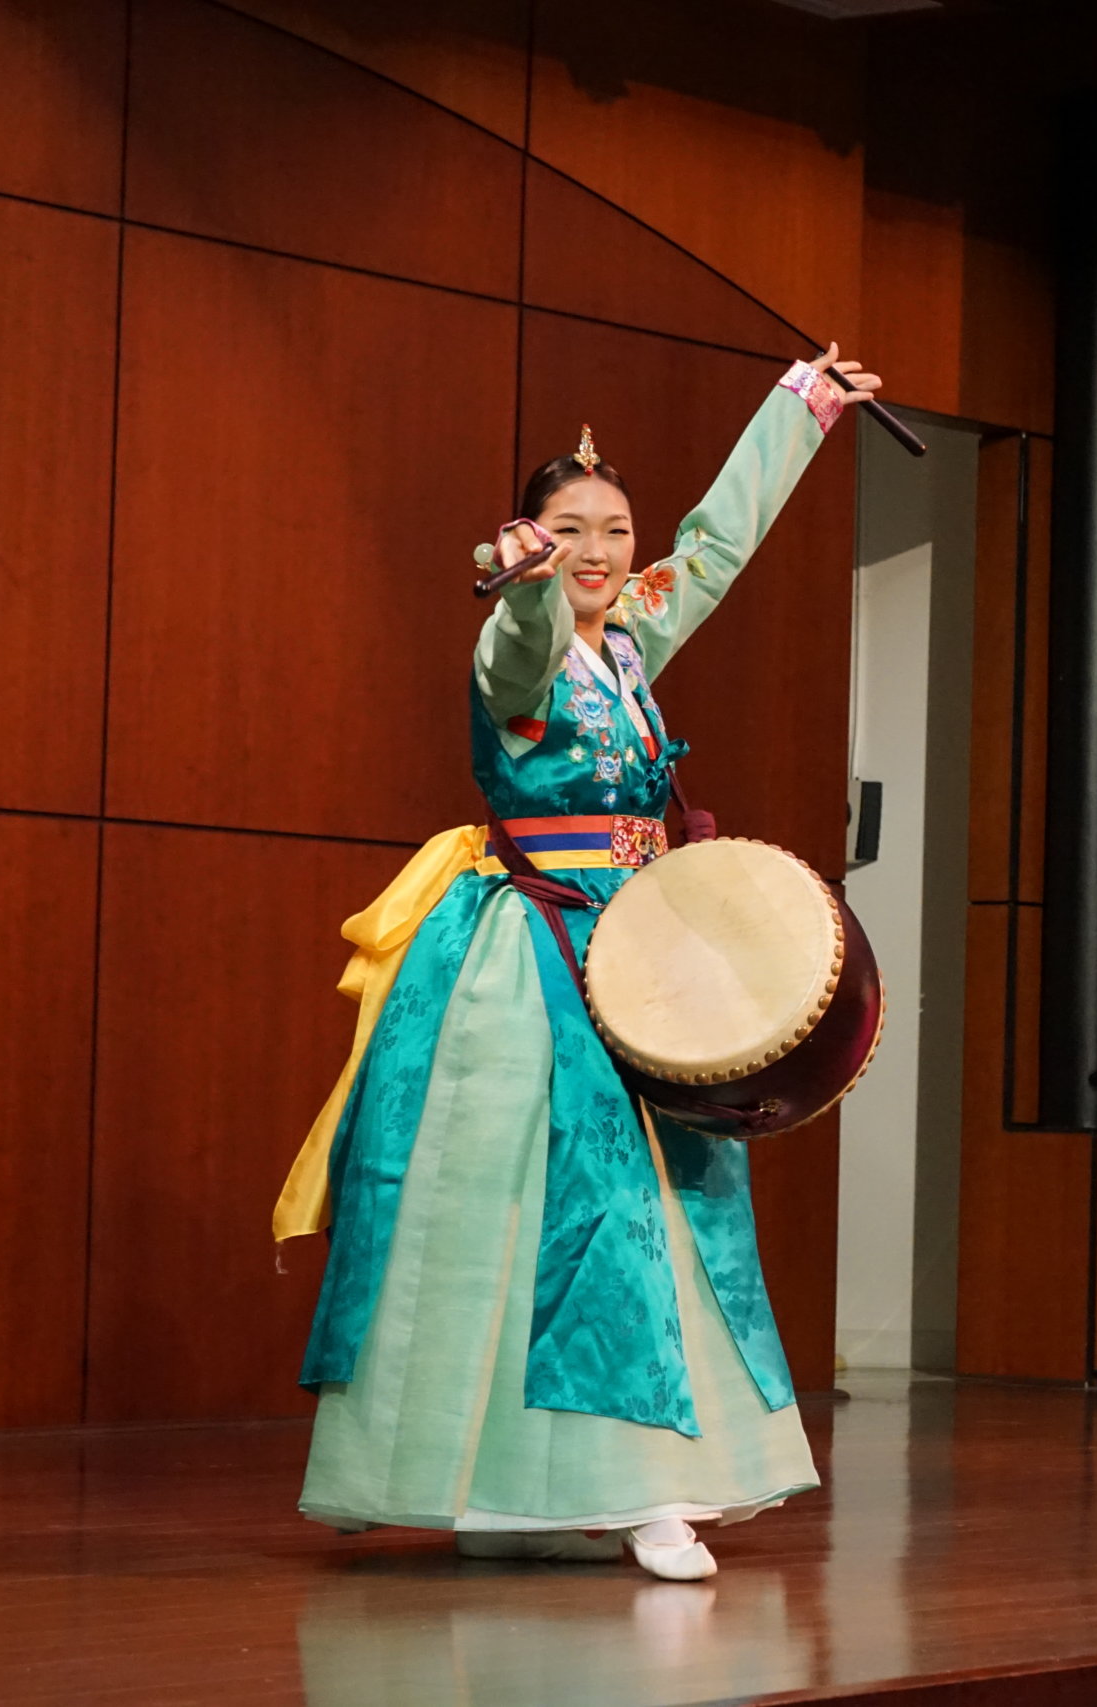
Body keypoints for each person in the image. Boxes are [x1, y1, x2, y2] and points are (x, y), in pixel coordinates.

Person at [272, 347, 881, 1578]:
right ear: (530, 535)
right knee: (548, 1201)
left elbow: (712, 548)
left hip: (644, 944)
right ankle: (548, 1488)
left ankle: (647, 1477)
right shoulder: (525, 643)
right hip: (531, 950)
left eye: (612, 531)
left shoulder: (633, 639)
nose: (597, 551)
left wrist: (802, 406)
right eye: (569, 529)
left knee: (677, 1198)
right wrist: (530, 586)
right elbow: (522, 636)